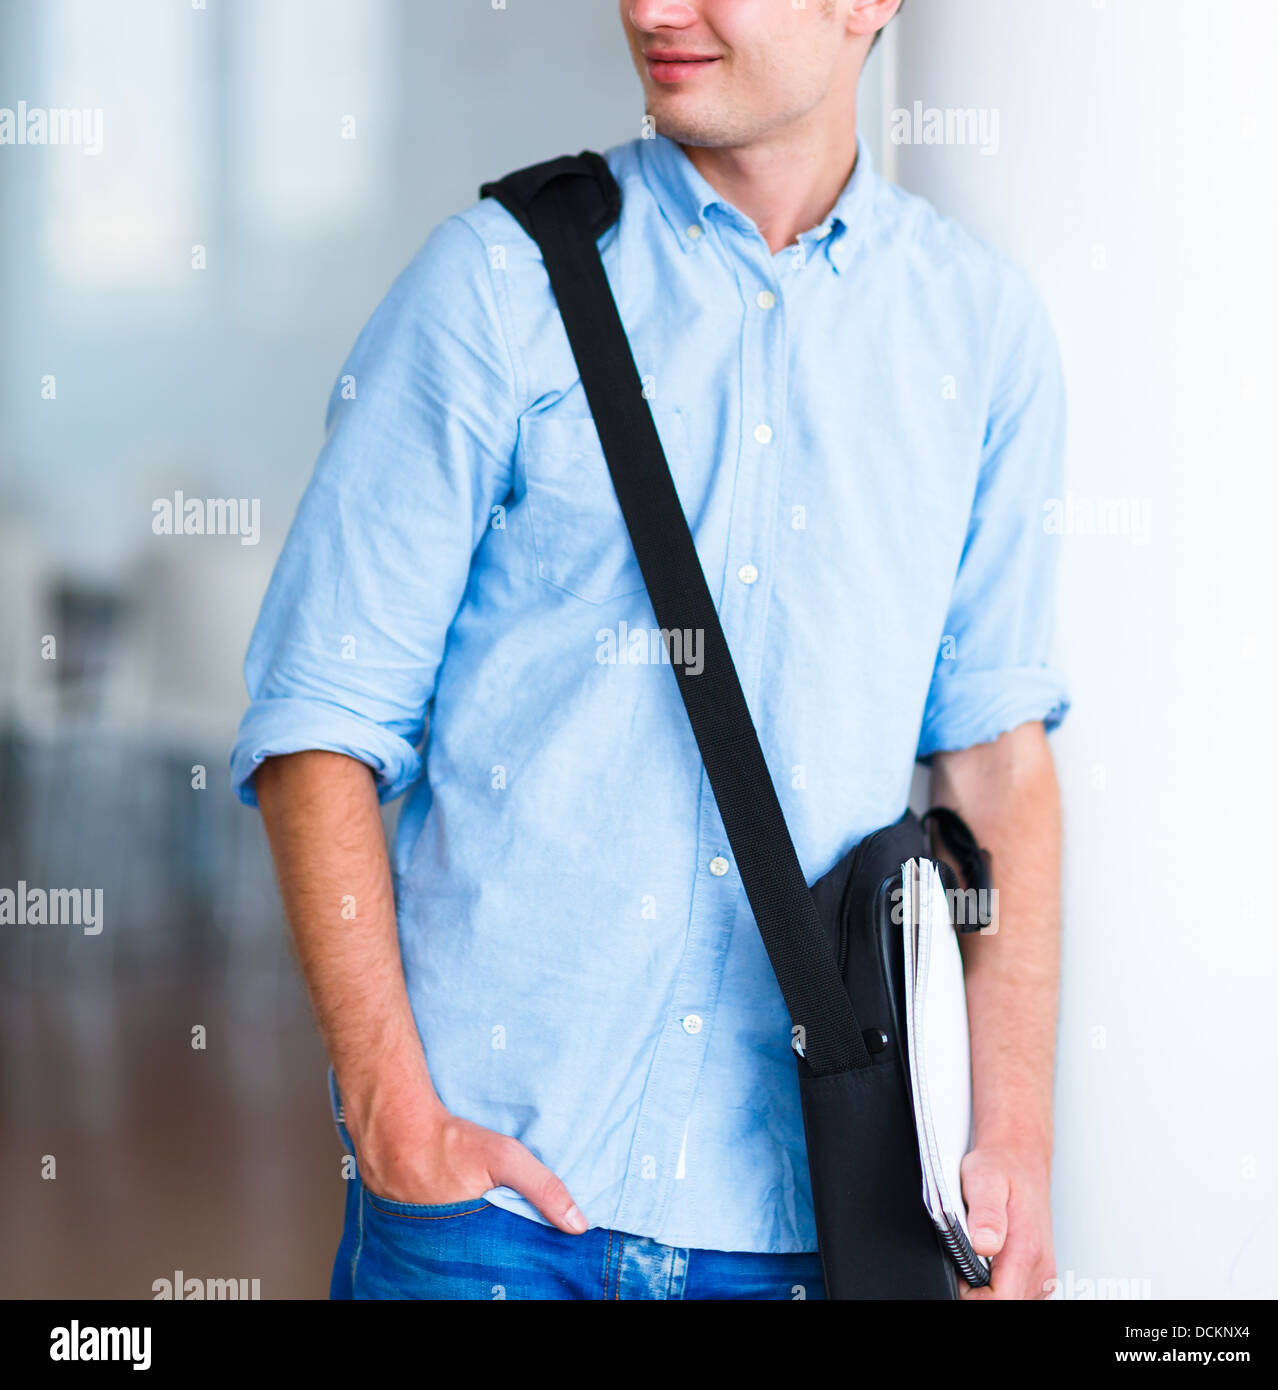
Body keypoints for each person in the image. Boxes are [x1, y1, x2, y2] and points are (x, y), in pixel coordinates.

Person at [232, 0, 1067, 1301]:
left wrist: (1009, 1133)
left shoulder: (981, 334)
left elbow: (995, 765)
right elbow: (317, 720)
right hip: (487, 1211)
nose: (649, 8)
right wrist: (393, 1109)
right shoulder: (493, 282)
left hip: (809, 1225)